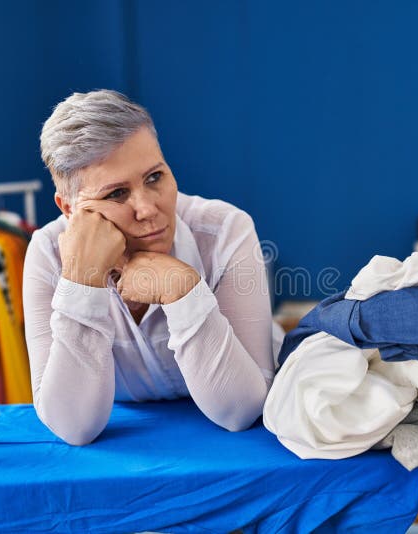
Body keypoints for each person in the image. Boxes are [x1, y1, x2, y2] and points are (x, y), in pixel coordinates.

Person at [24, 89, 280, 445]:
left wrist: (183, 289)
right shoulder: (48, 252)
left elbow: (241, 411)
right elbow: (73, 427)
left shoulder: (224, 231)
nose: (147, 208)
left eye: (154, 177)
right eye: (116, 194)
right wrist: (83, 280)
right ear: (69, 209)